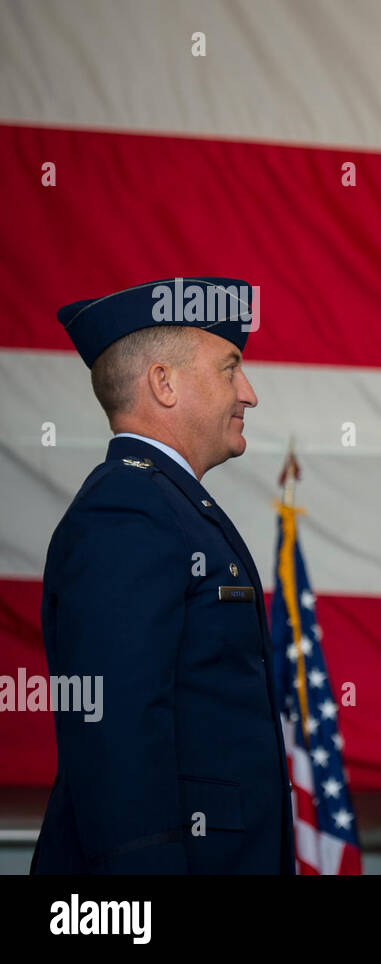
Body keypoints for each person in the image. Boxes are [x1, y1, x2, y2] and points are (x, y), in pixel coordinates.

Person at [31, 277, 294, 874]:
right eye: (230, 368)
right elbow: (116, 735)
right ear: (163, 383)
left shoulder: (166, 503)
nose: (248, 393)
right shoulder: (127, 508)